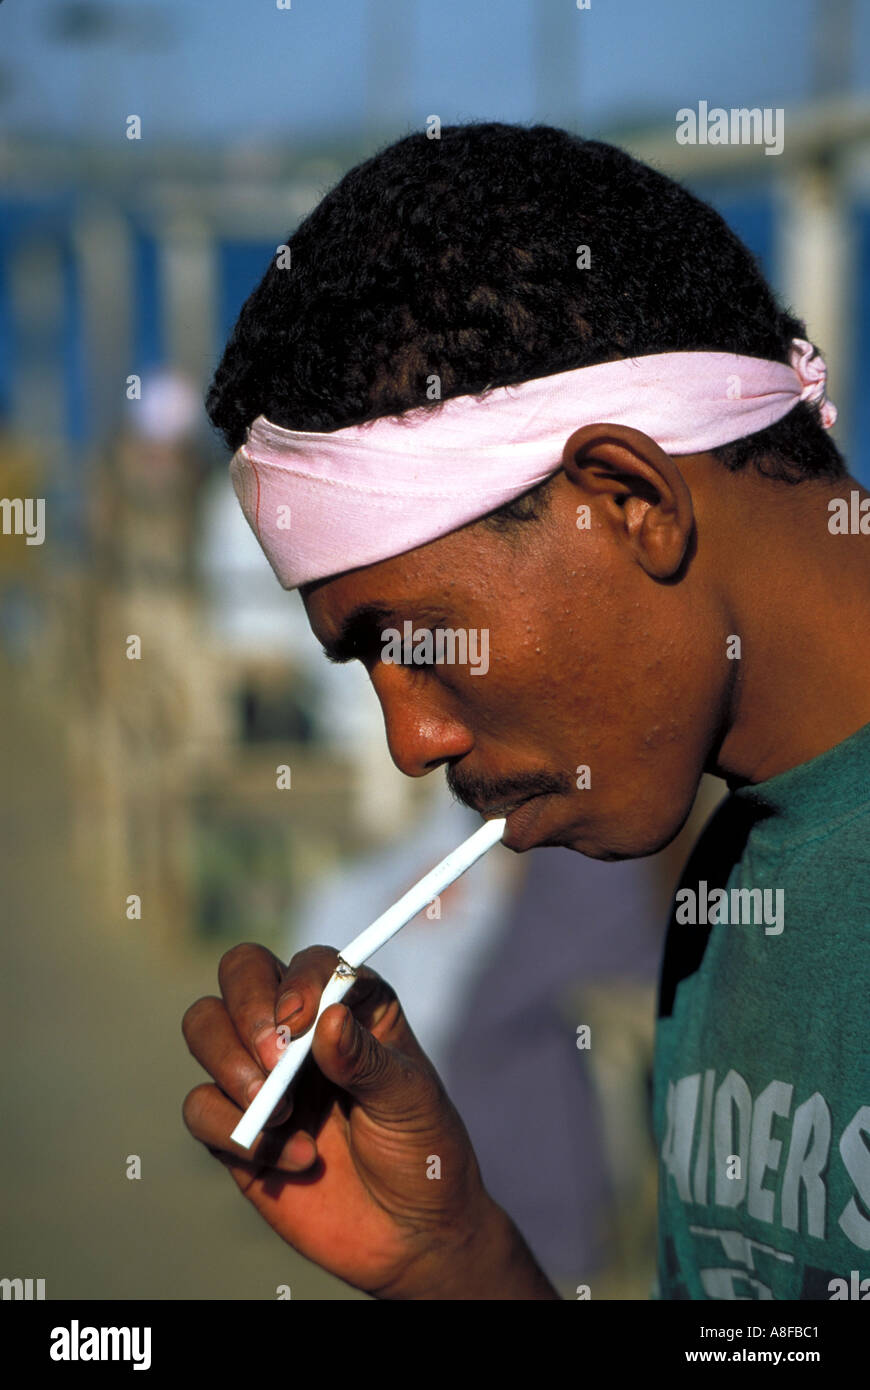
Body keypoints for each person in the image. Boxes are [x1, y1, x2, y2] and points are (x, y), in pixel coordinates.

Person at [181, 122, 869, 1300]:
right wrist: (455, 1258)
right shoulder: (737, 872)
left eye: (417, 643)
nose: (413, 742)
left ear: (627, 497)